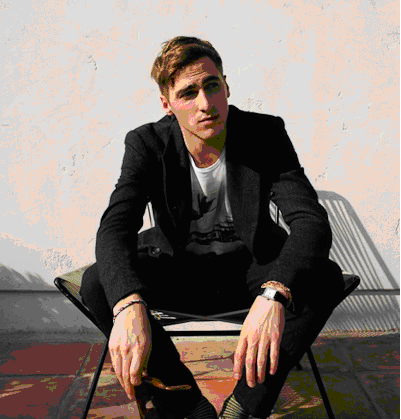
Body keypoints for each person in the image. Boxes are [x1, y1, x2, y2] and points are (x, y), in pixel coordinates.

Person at [80, 36, 345, 419]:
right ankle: (186, 406)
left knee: (325, 277)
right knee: (98, 283)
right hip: (180, 272)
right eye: (188, 93)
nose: (205, 103)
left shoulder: (264, 134)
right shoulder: (147, 143)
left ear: (226, 86)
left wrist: (275, 293)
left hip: (251, 270)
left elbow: (311, 222)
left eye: (212, 85)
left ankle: (244, 407)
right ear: (167, 104)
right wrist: (128, 303)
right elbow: (115, 226)